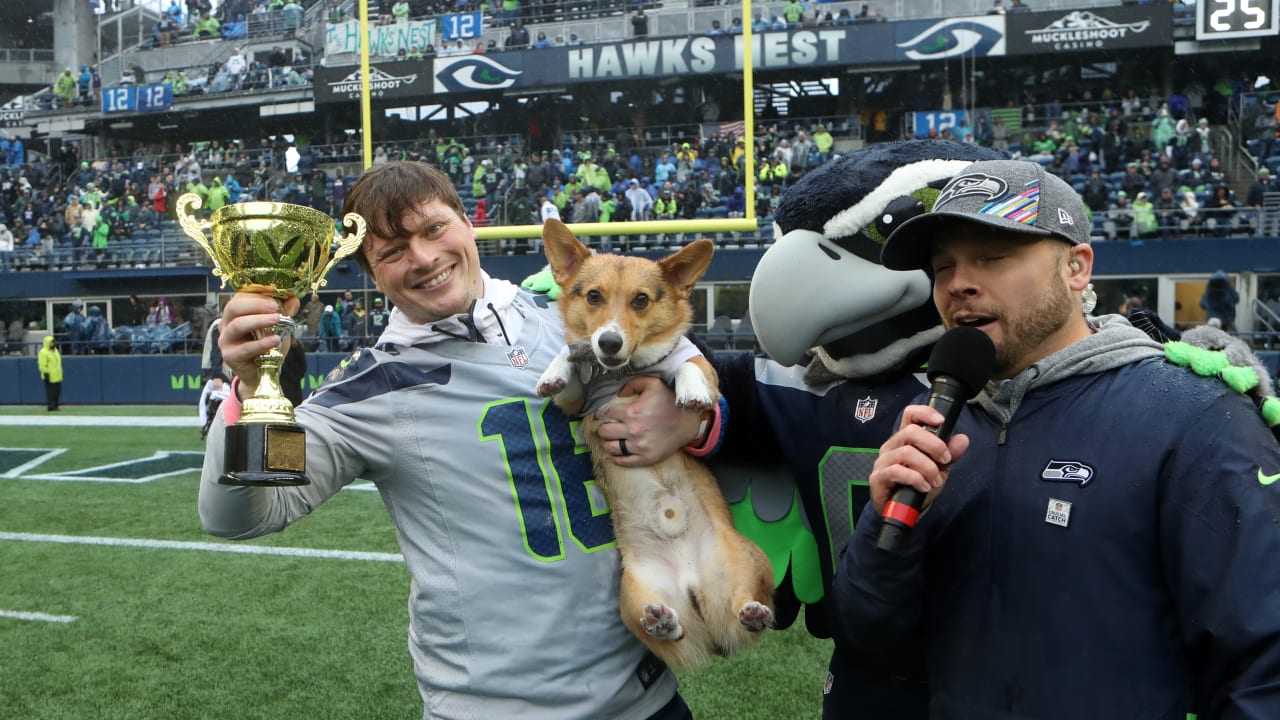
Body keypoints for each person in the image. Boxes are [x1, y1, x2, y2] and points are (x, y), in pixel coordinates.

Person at [199, 161, 709, 720]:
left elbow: (688, 380)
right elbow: (241, 514)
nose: (421, 258)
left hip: (645, 697)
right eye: (391, 251)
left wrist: (696, 419)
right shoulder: (368, 390)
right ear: (374, 276)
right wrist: (252, 394)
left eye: (433, 229)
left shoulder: (569, 320)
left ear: (467, 223)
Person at [831, 159, 1280, 718]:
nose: (958, 284)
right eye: (942, 266)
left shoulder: (1197, 416)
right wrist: (885, 523)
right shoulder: (935, 424)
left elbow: (1263, 668)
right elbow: (870, 635)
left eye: (992, 257)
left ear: (1076, 267)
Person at [38, 335, 63, 411]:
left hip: (57, 375)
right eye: (51, 342)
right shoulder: (43, 352)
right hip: (49, 375)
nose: (53, 344)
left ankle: (55, 405)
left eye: (53, 342)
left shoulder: (56, 350)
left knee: (57, 392)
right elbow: (42, 364)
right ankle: (51, 406)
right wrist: (46, 374)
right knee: (51, 392)